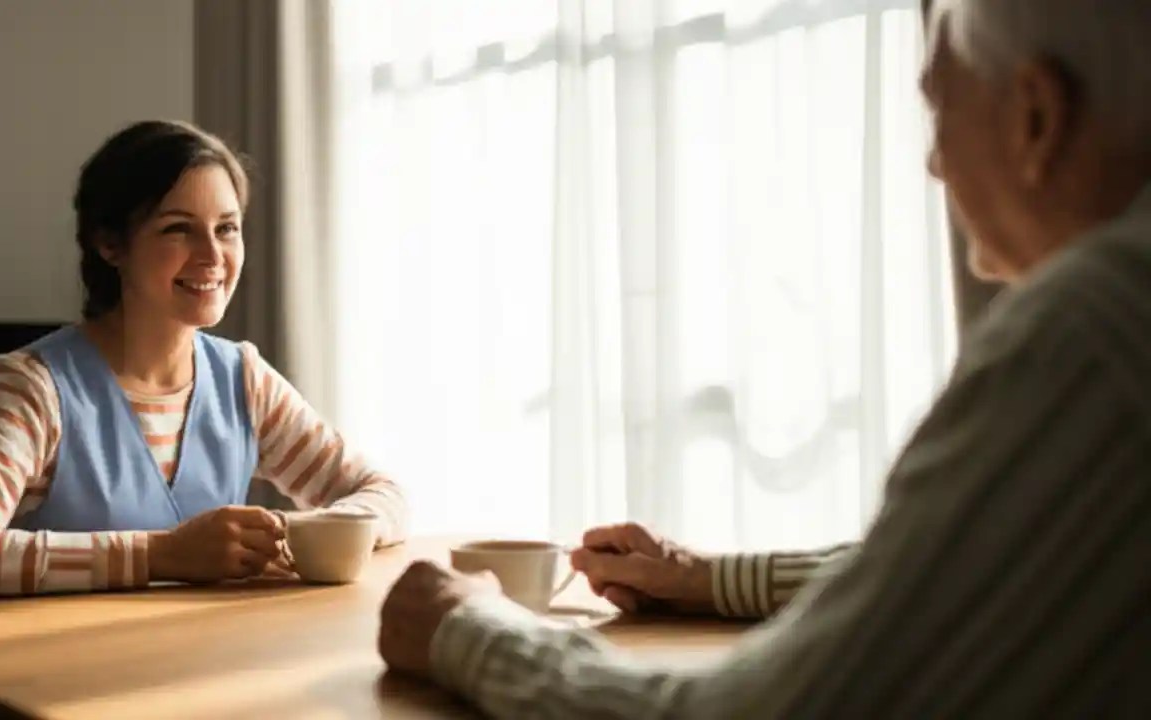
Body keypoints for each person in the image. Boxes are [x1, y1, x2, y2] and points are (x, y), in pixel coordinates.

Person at [377, 0, 1151, 715]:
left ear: (1037, 118)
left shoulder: (1088, 326)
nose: (933, 165)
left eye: (940, 104)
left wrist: (465, 627)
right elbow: (968, 572)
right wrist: (707, 578)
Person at [0, 120, 407, 601]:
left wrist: (299, 533)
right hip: (58, 677)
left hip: (203, 671)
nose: (212, 256)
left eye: (227, 228)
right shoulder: (36, 387)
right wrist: (160, 555)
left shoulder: (244, 380)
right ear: (109, 243)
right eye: (178, 229)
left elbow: (383, 494)